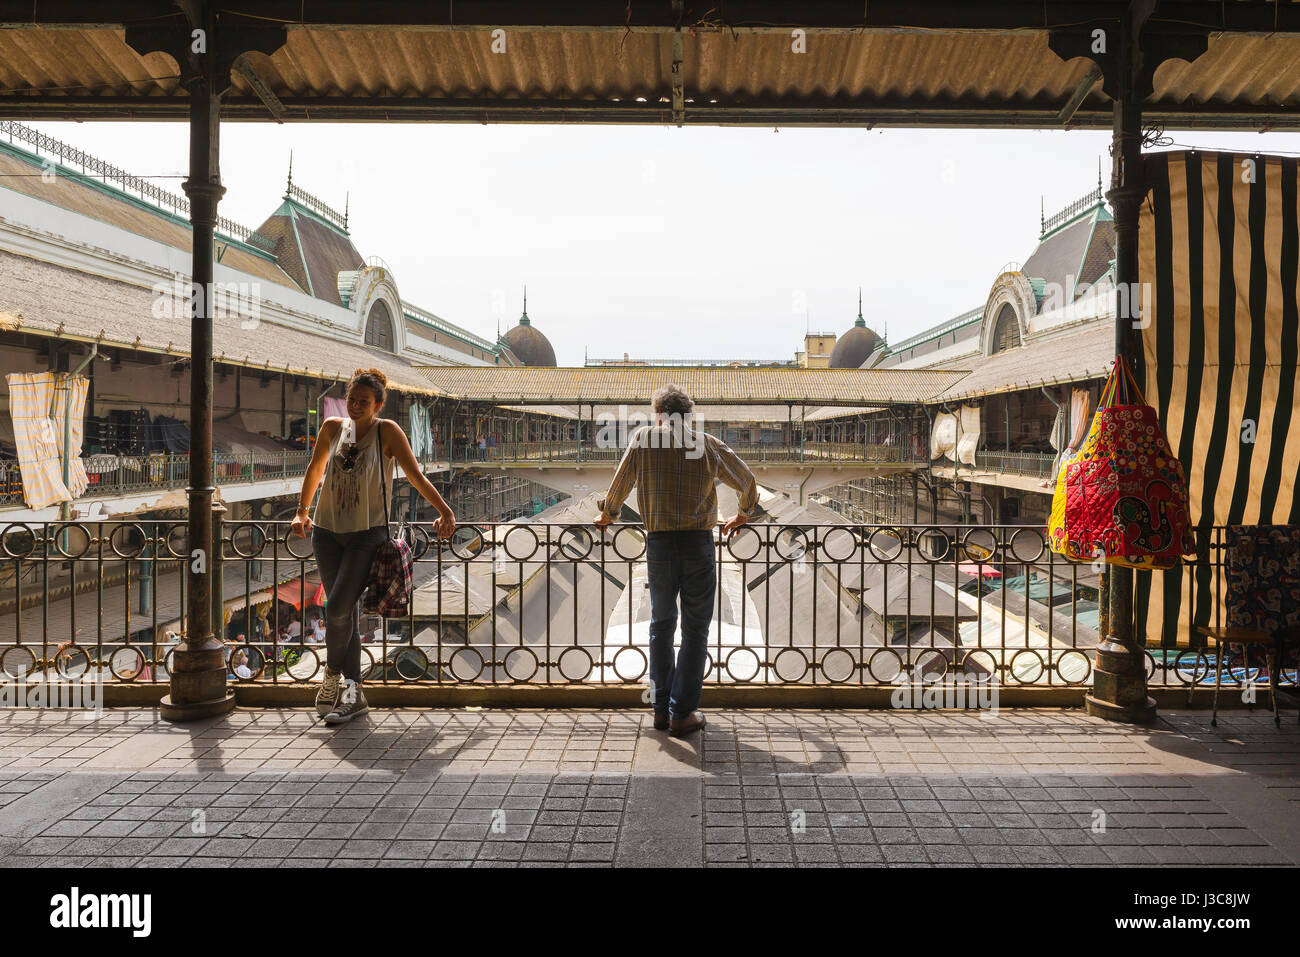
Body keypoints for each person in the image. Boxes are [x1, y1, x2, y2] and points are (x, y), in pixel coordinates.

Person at [291, 367, 456, 725]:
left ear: (378, 405)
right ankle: (354, 695)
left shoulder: (387, 432)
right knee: (344, 612)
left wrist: (445, 510)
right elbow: (315, 469)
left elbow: (415, 475)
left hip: (367, 534)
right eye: (351, 398)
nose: (355, 406)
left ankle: (332, 677)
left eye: (364, 402)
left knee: (336, 607)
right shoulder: (332, 428)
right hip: (326, 532)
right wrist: (302, 512)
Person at [594, 384, 758, 737]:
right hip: (699, 545)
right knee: (696, 630)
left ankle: (659, 709)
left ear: (658, 415)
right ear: (689, 416)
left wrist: (608, 514)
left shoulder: (643, 440)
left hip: (660, 546)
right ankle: (682, 712)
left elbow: (619, 485)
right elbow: (747, 481)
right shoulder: (708, 445)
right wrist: (742, 515)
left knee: (660, 625)